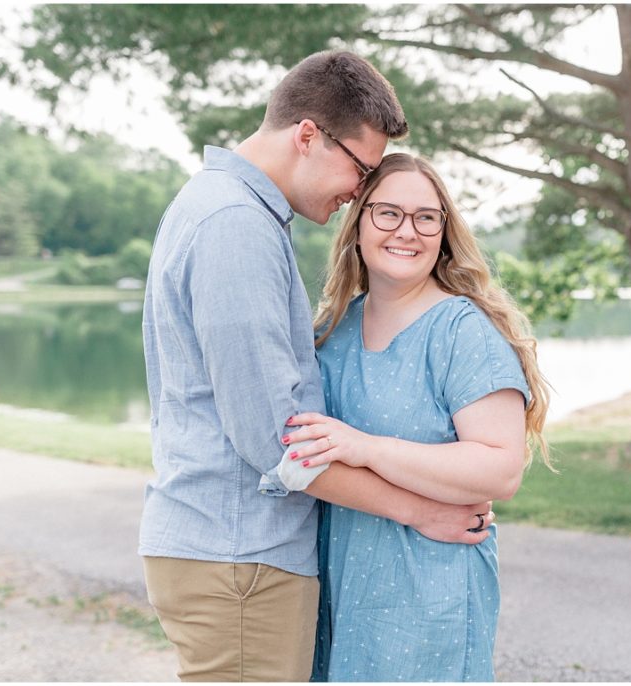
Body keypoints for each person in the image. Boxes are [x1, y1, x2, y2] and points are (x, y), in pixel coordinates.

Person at [139, 51, 495, 683]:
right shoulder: (236, 225)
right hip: (241, 554)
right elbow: (275, 438)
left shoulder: (227, 209)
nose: (360, 191)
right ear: (308, 135)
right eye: (361, 168)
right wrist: (418, 510)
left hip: (235, 556)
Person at [279, 153, 552, 682]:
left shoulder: (462, 331)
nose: (407, 231)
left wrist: (368, 448)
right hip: (336, 582)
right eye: (388, 213)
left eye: (426, 217)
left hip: (429, 590)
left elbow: (500, 470)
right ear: (358, 223)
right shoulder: (332, 330)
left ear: (443, 232)